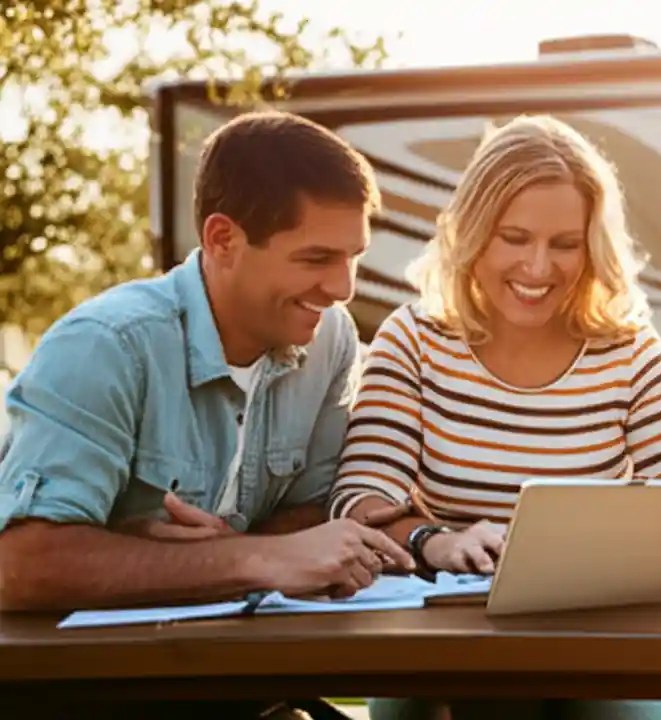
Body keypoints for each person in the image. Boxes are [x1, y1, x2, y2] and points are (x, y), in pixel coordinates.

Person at [0, 111, 414, 719]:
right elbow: (20, 565)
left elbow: (313, 509)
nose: (343, 287)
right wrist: (251, 559)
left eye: (353, 255)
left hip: (241, 689)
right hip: (83, 695)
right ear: (223, 239)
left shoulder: (332, 341)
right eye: (316, 257)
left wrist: (232, 552)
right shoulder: (107, 345)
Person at [329, 114, 661, 720]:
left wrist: (582, 554)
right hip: (454, 644)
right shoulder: (414, 341)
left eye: (565, 244)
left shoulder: (627, 352)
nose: (539, 268)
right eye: (514, 238)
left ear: (592, 247)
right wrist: (436, 541)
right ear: (474, 233)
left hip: (611, 648)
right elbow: (359, 502)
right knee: (414, 711)